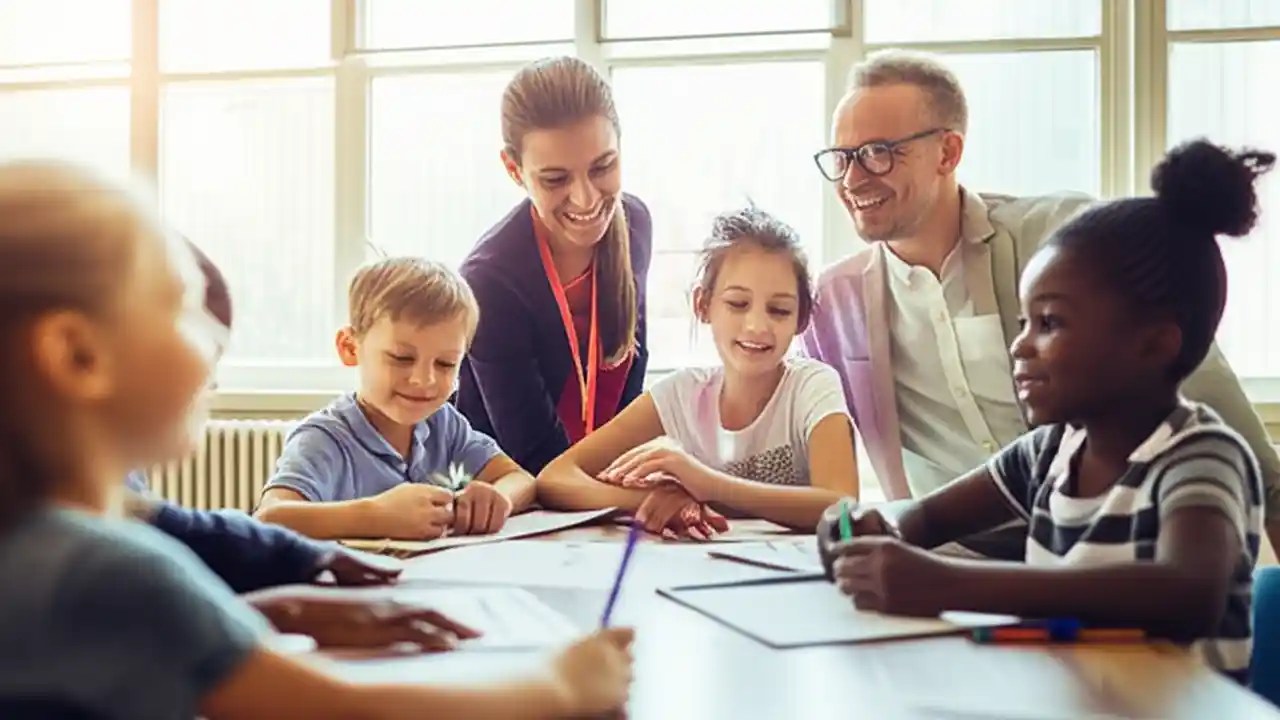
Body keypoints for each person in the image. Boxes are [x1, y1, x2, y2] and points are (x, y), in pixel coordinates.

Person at [0, 159, 634, 719]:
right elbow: (349, 710)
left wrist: (291, 601)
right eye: (184, 307)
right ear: (77, 355)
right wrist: (560, 684)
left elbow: (174, 531)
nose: (217, 346)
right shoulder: (107, 571)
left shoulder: (47, 537)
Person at [817, 140, 1272, 684]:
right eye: (1023, 324)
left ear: (1154, 344)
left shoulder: (1200, 456)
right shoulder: (1051, 451)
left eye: (1051, 324)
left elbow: (1186, 594)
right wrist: (871, 529)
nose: (1021, 346)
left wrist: (949, 584)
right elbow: (928, 518)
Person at [802, 49, 1280, 554]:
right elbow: (791, 414)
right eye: (842, 157)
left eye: (878, 151)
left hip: (1114, 545)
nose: (853, 179)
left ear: (948, 153)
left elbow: (1214, 409)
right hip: (958, 552)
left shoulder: (1068, 244)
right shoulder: (832, 302)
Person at [124, 243, 475, 653]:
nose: (211, 382)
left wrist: (309, 560)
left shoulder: (115, 484)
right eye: (202, 347)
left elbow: (178, 530)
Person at [538, 207, 858, 533]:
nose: (757, 326)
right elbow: (556, 477)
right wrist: (654, 499)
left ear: (801, 319)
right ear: (703, 305)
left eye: (779, 310)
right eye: (737, 304)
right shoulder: (680, 394)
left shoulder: (813, 386)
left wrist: (707, 484)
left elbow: (844, 508)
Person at [455, 55, 653, 475]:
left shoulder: (635, 223)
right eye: (555, 179)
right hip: (503, 500)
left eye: (603, 167)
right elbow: (535, 457)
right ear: (514, 170)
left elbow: (631, 383)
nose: (585, 199)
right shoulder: (490, 280)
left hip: (597, 490)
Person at [257, 257, 536, 541]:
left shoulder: (444, 425)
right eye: (402, 358)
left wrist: (495, 500)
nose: (423, 380)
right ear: (350, 347)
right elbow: (269, 518)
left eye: (445, 364)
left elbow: (520, 479)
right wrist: (376, 517)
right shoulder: (325, 440)